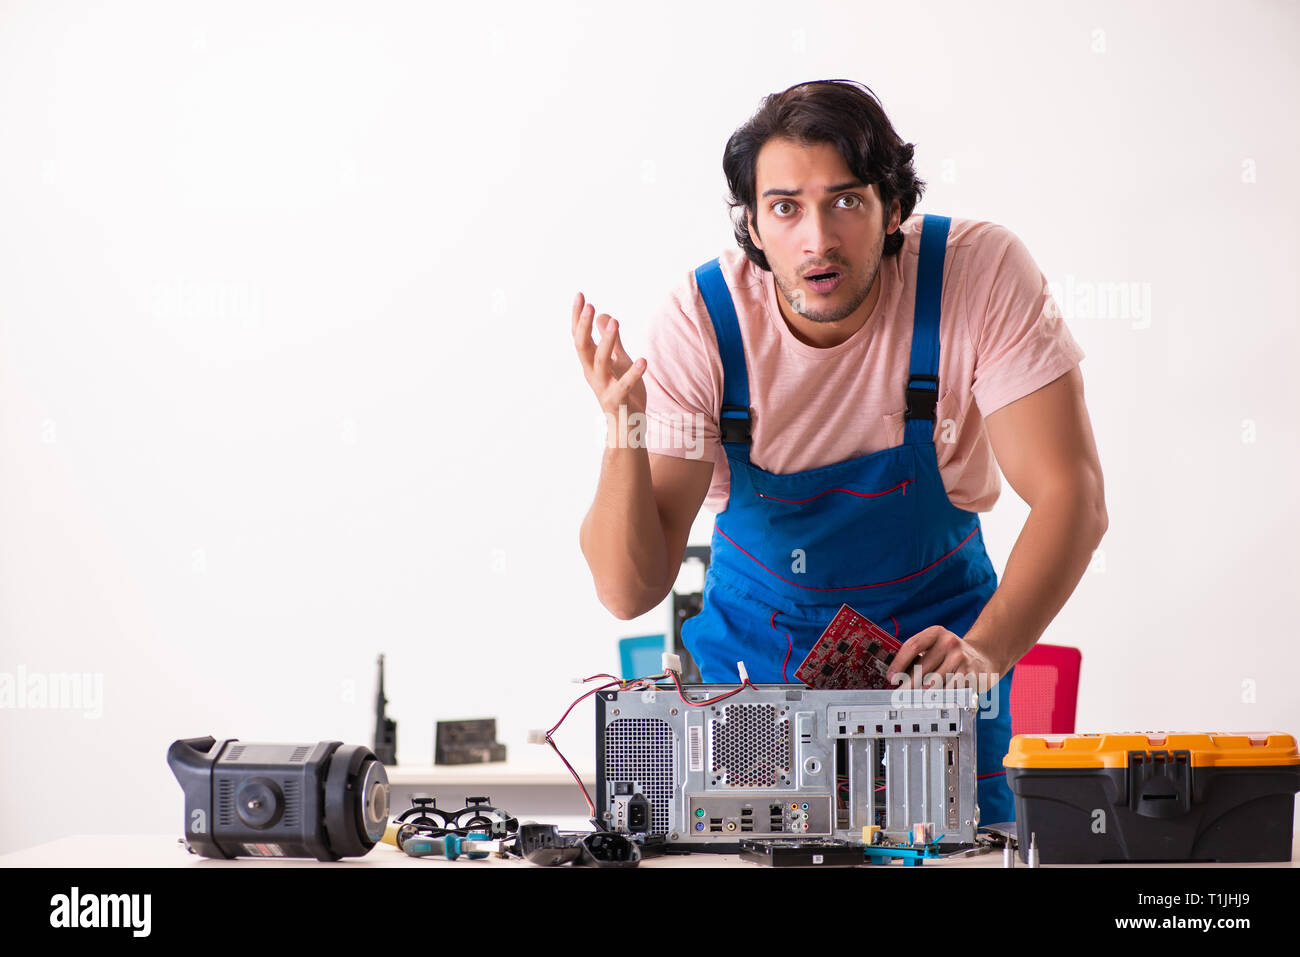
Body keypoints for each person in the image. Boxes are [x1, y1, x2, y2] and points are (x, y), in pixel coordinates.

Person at [572, 79, 1107, 824]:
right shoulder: (703, 323)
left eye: (846, 201)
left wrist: (984, 653)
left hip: (939, 702)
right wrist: (623, 428)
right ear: (754, 226)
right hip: (755, 711)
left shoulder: (975, 274)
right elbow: (629, 589)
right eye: (786, 207)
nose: (817, 239)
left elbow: (1071, 495)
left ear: (893, 206)